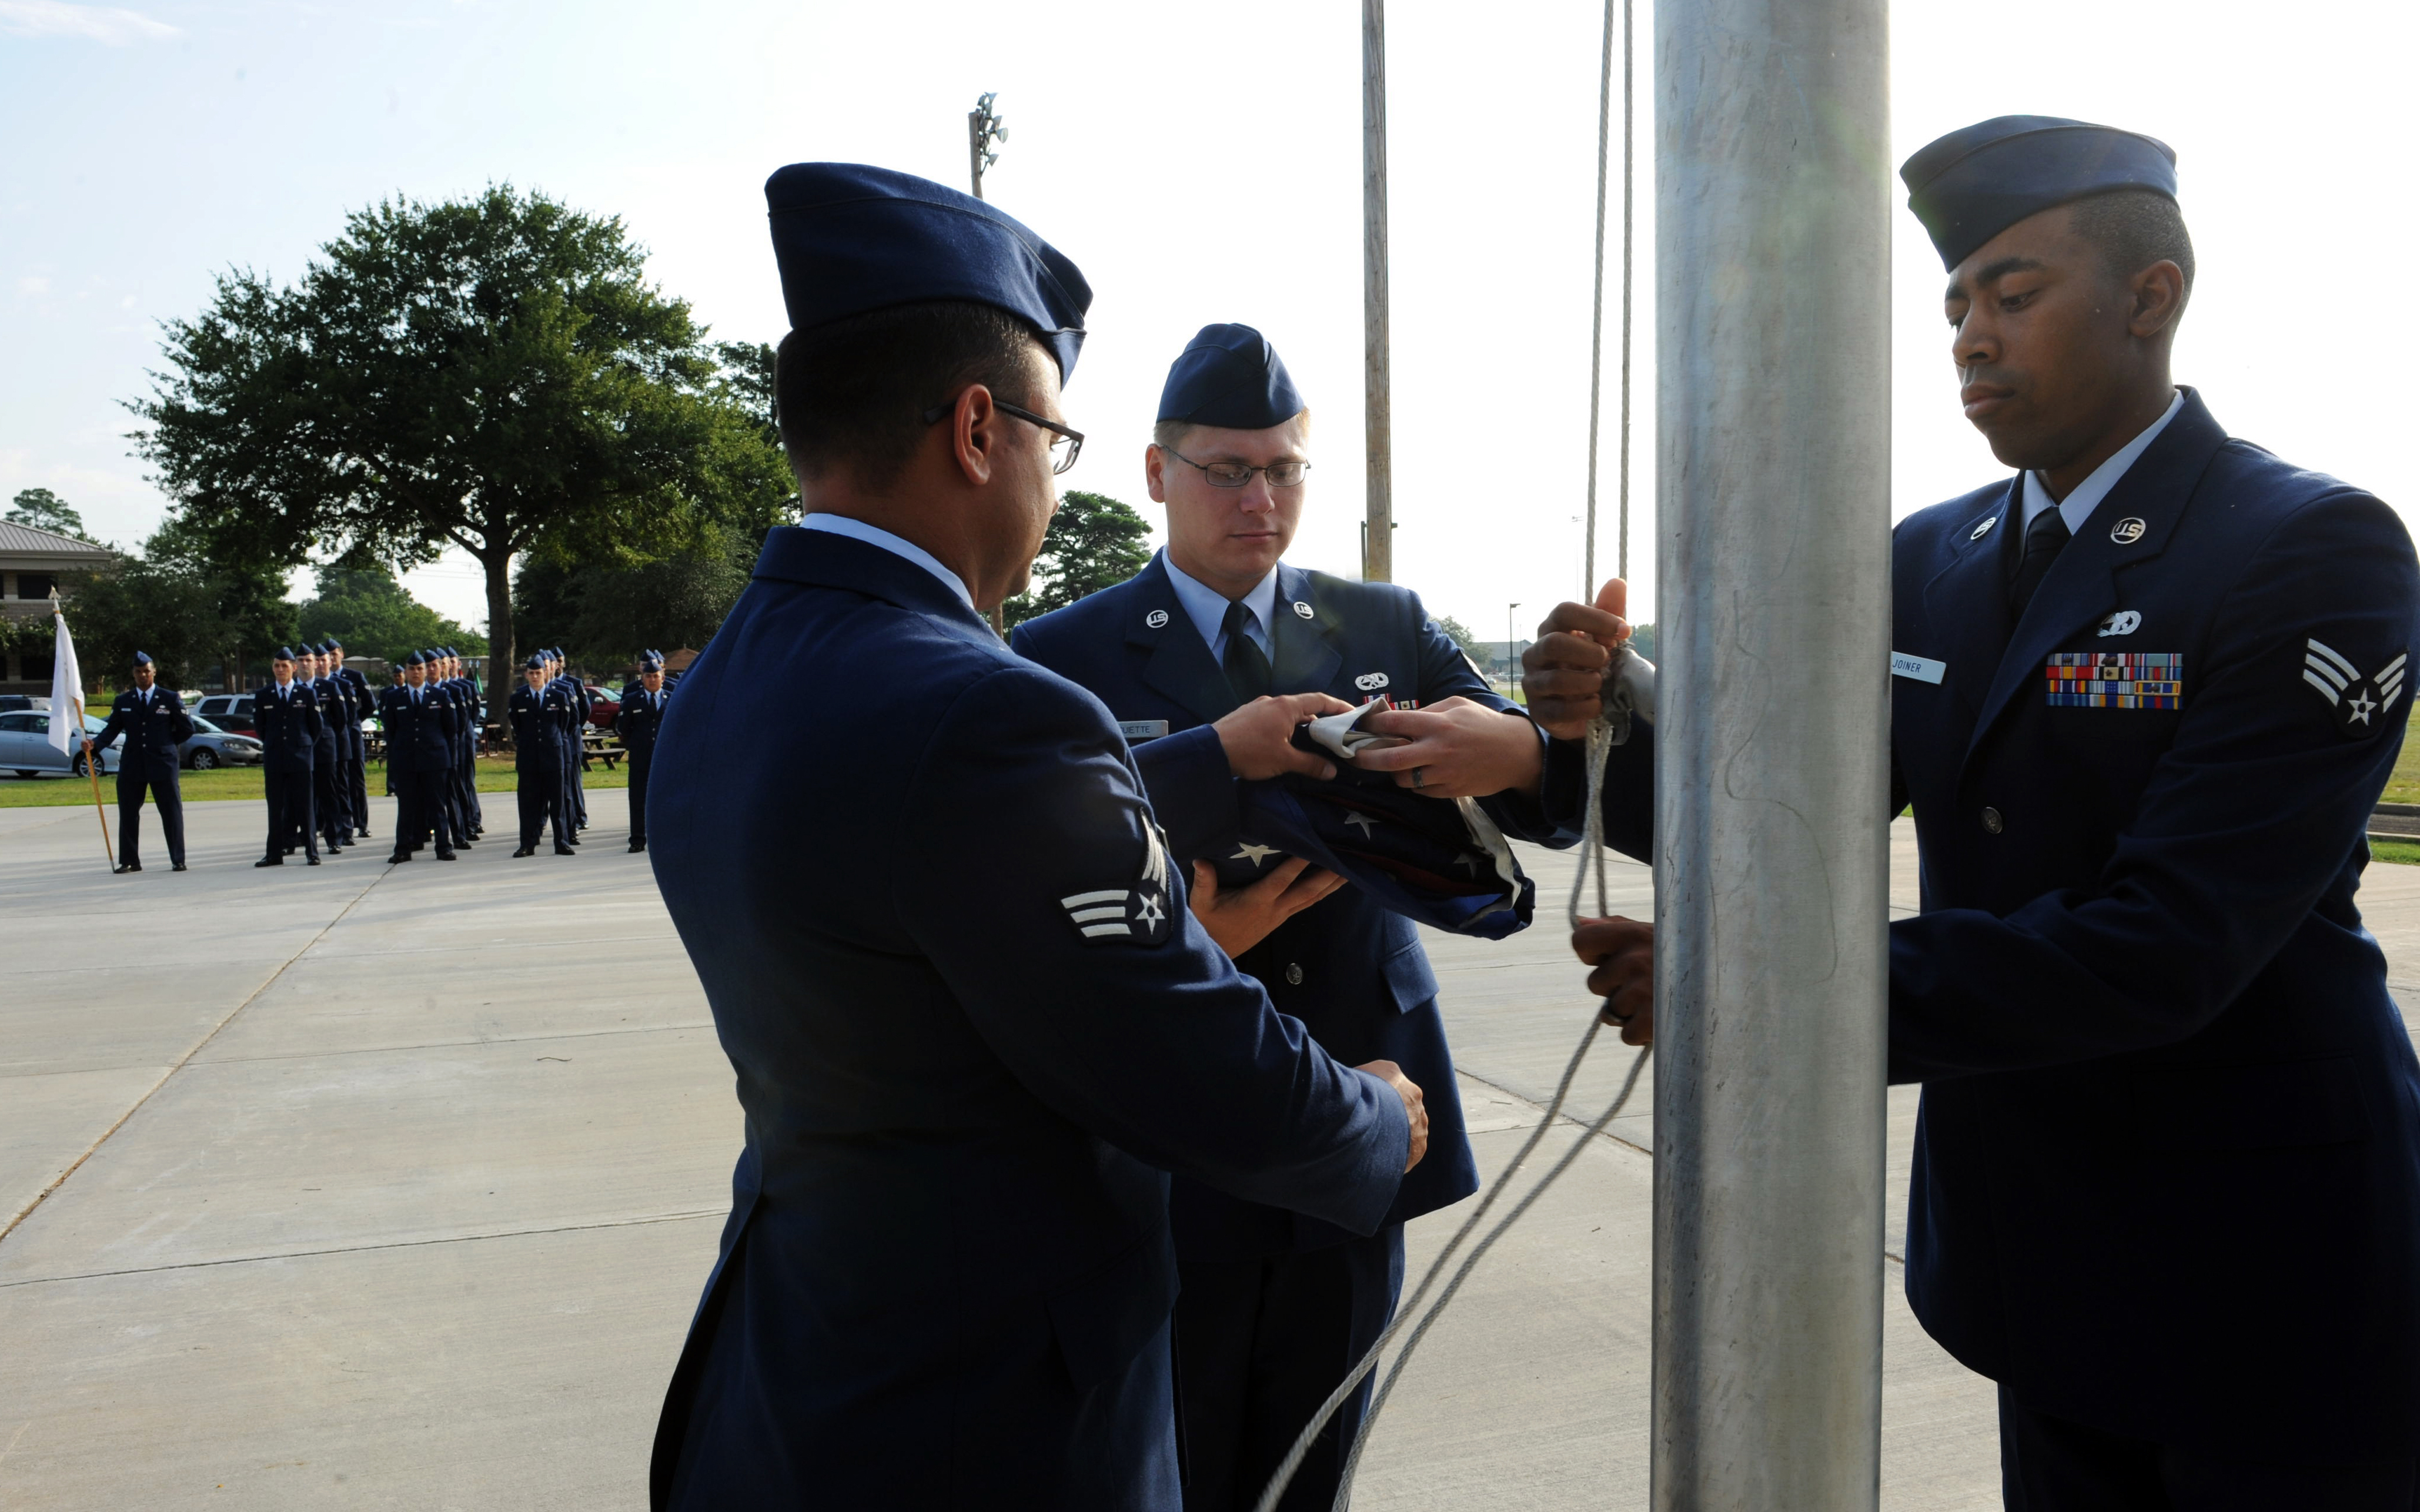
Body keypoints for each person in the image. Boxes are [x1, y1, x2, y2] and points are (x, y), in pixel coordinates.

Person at [1519, 115, 2420, 1508]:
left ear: (2150, 294)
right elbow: (1794, 817)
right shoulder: (1930, 554)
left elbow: (2172, 939)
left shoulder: (2308, 546)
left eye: (2015, 290)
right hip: (2032, 1250)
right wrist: (1551, 754)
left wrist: (1748, 993)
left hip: (2267, 1266)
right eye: (1954, 303)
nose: (1972, 336)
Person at [643, 163, 1428, 1512]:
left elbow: (926, 909)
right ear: (975, 428)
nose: (1051, 492)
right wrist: (1375, 1115)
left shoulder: (733, 677)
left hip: (795, 1371)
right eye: (1054, 445)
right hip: (977, 1418)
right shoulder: (997, 709)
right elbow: (1207, 1075)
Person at [1011, 322, 1560, 1511]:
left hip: (1369, 1094)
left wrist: (1521, 740)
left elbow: (1551, 799)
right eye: (1227, 469)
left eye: (1285, 468)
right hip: (1175, 1120)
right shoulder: (1063, 653)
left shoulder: (1382, 625)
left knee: (1316, 1465)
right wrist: (1213, 767)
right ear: (1159, 474)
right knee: (1180, 1463)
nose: (1260, 498)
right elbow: (1029, 853)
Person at [84, 650, 192, 873]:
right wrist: (95, 744)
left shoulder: (169, 698)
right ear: (133, 674)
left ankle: (178, 859)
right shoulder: (124, 700)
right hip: (133, 764)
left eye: (147, 671)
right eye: (138, 672)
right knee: (128, 812)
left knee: (171, 811)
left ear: (154, 673)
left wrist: (167, 744)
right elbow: (112, 728)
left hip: (163, 763)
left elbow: (187, 728)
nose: (143, 675)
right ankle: (130, 860)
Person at [379, 651, 458, 862]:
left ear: (427, 670)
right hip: (406, 759)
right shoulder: (394, 697)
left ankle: (443, 847)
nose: (416, 673)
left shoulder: (440, 696)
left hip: (434, 759)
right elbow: (391, 730)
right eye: (412, 669)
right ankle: (403, 848)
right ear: (406, 672)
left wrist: (441, 752)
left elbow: (450, 729)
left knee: (437, 805)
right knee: (406, 806)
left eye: (420, 668)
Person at [253, 647, 323, 867]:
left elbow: (316, 728)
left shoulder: (306, 694)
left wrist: (302, 747)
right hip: (275, 759)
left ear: (294, 668)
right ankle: (274, 854)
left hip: (301, 759)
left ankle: (312, 852)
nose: (280, 669)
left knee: (305, 807)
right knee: (276, 809)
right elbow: (261, 728)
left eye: (285, 666)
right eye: (276, 666)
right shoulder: (264, 695)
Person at [507, 654, 573, 857]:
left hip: (553, 756)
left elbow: (564, 724)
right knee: (528, 803)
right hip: (529, 758)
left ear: (545, 674)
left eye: (539, 673)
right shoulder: (518, 698)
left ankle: (561, 842)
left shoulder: (558, 696)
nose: (535, 676)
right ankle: (527, 844)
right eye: (532, 673)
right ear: (526, 675)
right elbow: (517, 726)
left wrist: (552, 740)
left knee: (558, 802)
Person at [618, 650, 668, 854]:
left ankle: (665, 837)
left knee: (665, 799)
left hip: (664, 759)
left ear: (662, 678)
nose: (652, 680)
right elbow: (623, 729)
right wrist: (637, 745)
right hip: (640, 757)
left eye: (656, 676)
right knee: (638, 800)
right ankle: (638, 839)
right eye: (648, 676)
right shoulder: (631, 700)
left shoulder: (671, 699)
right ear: (643, 678)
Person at [325, 637, 374, 840]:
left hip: (351, 735)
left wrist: (354, 721)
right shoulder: (322, 679)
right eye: (328, 656)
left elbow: (370, 704)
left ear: (342, 655)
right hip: (329, 737)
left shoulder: (354, 676)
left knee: (356, 780)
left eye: (335, 654)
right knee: (332, 781)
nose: (332, 658)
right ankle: (328, 823)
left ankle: (361, 823)